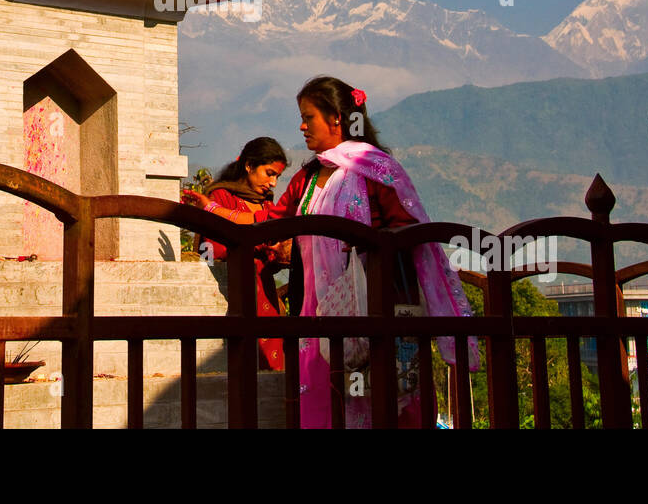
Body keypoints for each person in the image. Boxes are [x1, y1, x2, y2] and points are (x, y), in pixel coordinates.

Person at [266, 76, 479, 429]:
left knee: (384, 405)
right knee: (325, 406)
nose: (301, 126)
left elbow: (408, 229)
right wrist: (216, 213)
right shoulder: (307, 176)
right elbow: (272, 221)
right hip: (318, 317)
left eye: (309, 117)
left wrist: (365, 249)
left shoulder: (376, 170)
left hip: (378, 313)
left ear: (337, 118)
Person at [190, 137, 289, 370]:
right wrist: (262, 246)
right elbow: (213, 249)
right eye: (269, 173)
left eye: (277, 177)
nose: (273, 183)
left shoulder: (265, 203)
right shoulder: (220, 197)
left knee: (271, 367)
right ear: (249, 165)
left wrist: (279, 253)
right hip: (234, 294)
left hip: (265, 295)